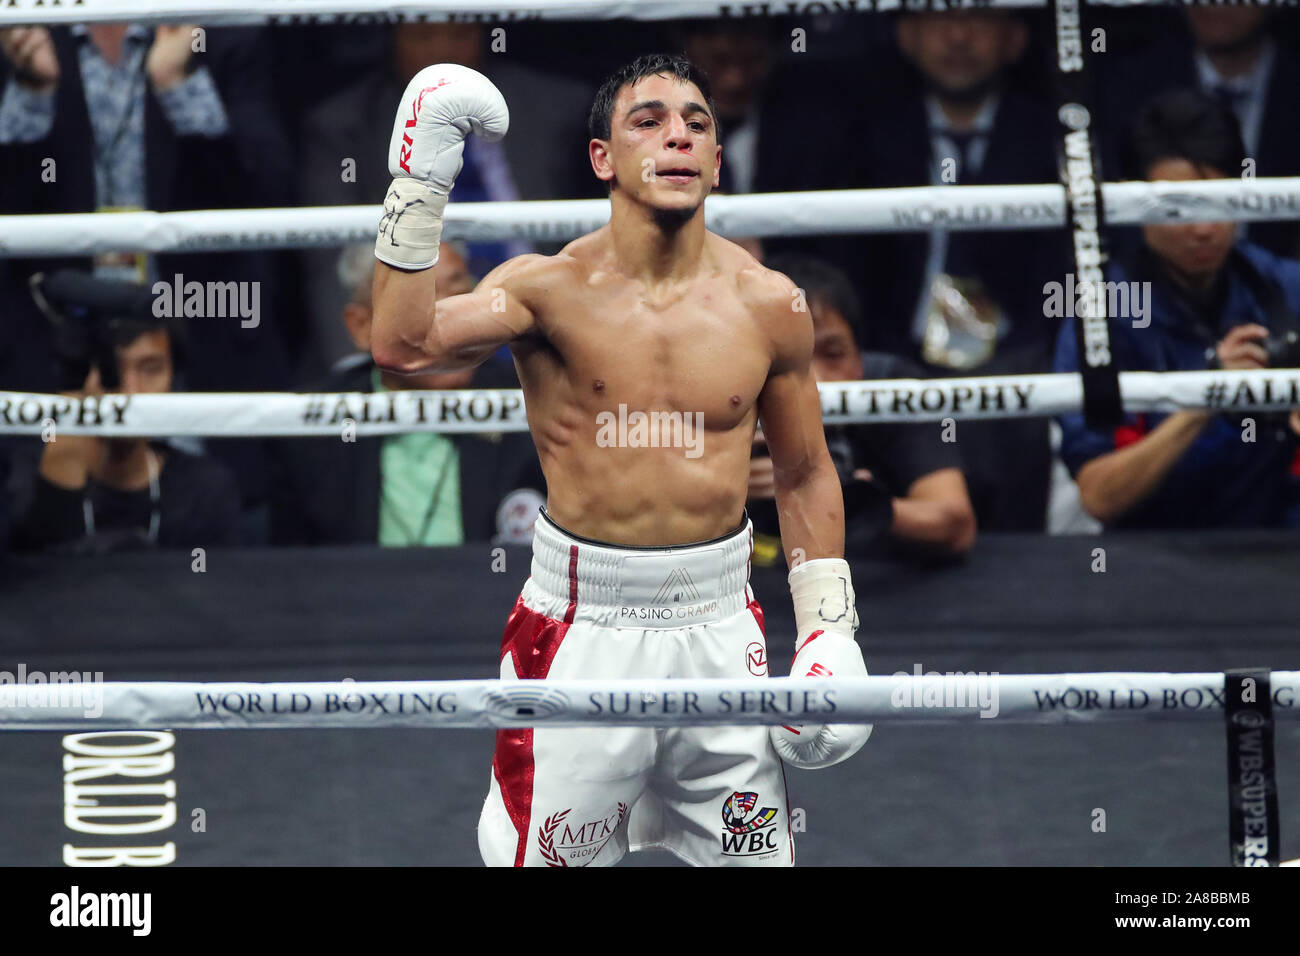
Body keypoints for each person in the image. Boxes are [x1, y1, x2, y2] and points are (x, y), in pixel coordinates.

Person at [369, 54, 871, 867]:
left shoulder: (772, 305)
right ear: (603, 157)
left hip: (721, 630)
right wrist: (421, 184)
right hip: (582, 631)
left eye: (696, 123)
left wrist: (827, 625)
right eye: (649, 120)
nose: (678, 136)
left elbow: (806, 471)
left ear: (714, 159)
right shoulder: (544, 290)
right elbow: (401, 344)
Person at [1055, 89, 1300, 530]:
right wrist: (1205, 398)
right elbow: (1100, 495)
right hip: (1154, 558)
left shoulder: (1285, 285)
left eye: (1220, 203)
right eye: (1180, 208)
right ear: (1135, 204)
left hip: (1279, 543)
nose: (1204, 228)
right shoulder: (1103, 311)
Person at [269, 243, 545, 547]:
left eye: (460, 296)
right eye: (420, 305)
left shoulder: (534, 407)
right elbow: (293, 576)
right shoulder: (310, 425)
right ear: (362, 326)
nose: (450, 323)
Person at [749, 255, 975, 562]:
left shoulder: (894, 390)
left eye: (833, 353)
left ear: (859, 358)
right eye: (788, 355)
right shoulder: (718, 398)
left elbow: (956, 525)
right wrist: (723, 492)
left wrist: (859, 503)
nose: (814, 379)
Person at [10, 275, 241, 552]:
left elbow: (212, 589)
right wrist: (75, 410)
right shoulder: (31, 470)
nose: (130, 390)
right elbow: (41, 578)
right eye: (115, 370)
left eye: (150, 368)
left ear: (173, 381)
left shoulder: (205, 489)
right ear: (89, 374)